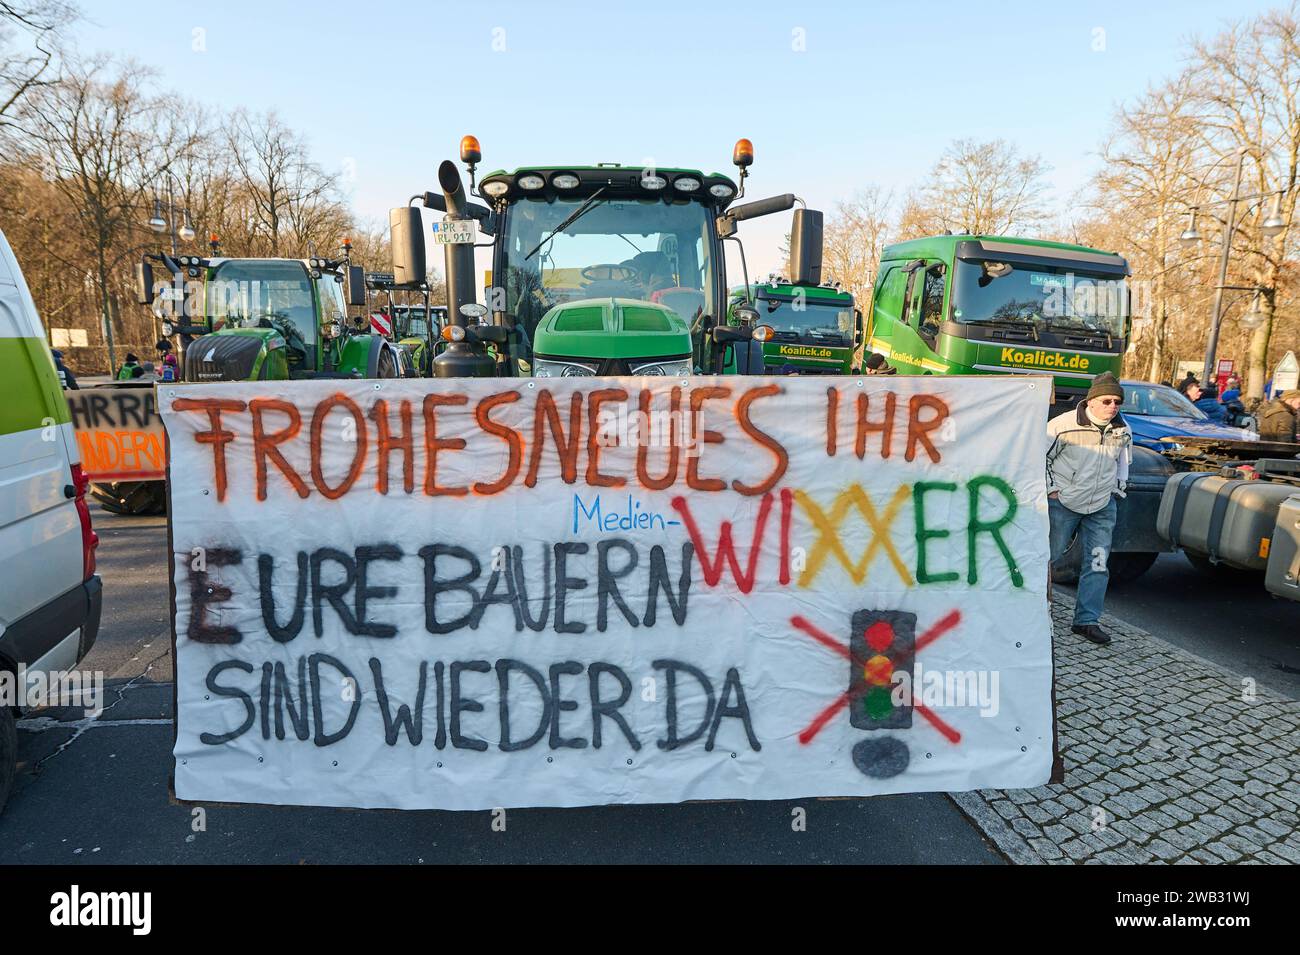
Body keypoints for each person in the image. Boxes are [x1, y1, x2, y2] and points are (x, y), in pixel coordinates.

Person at [1046, 371, 1132, 646]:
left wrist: (1117, 489)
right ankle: (1035, 614)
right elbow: (1039, 458)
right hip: (1064, 504)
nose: (1113, 407)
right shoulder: (1061, 425)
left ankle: (1086, 621)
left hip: (1102, 506)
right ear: (1091, 401)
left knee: (1097, 563)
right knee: (1047, 559)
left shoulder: (1122, 429)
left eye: (1117, 402)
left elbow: (1123, 461)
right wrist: (1052, 491)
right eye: (1107, 401)